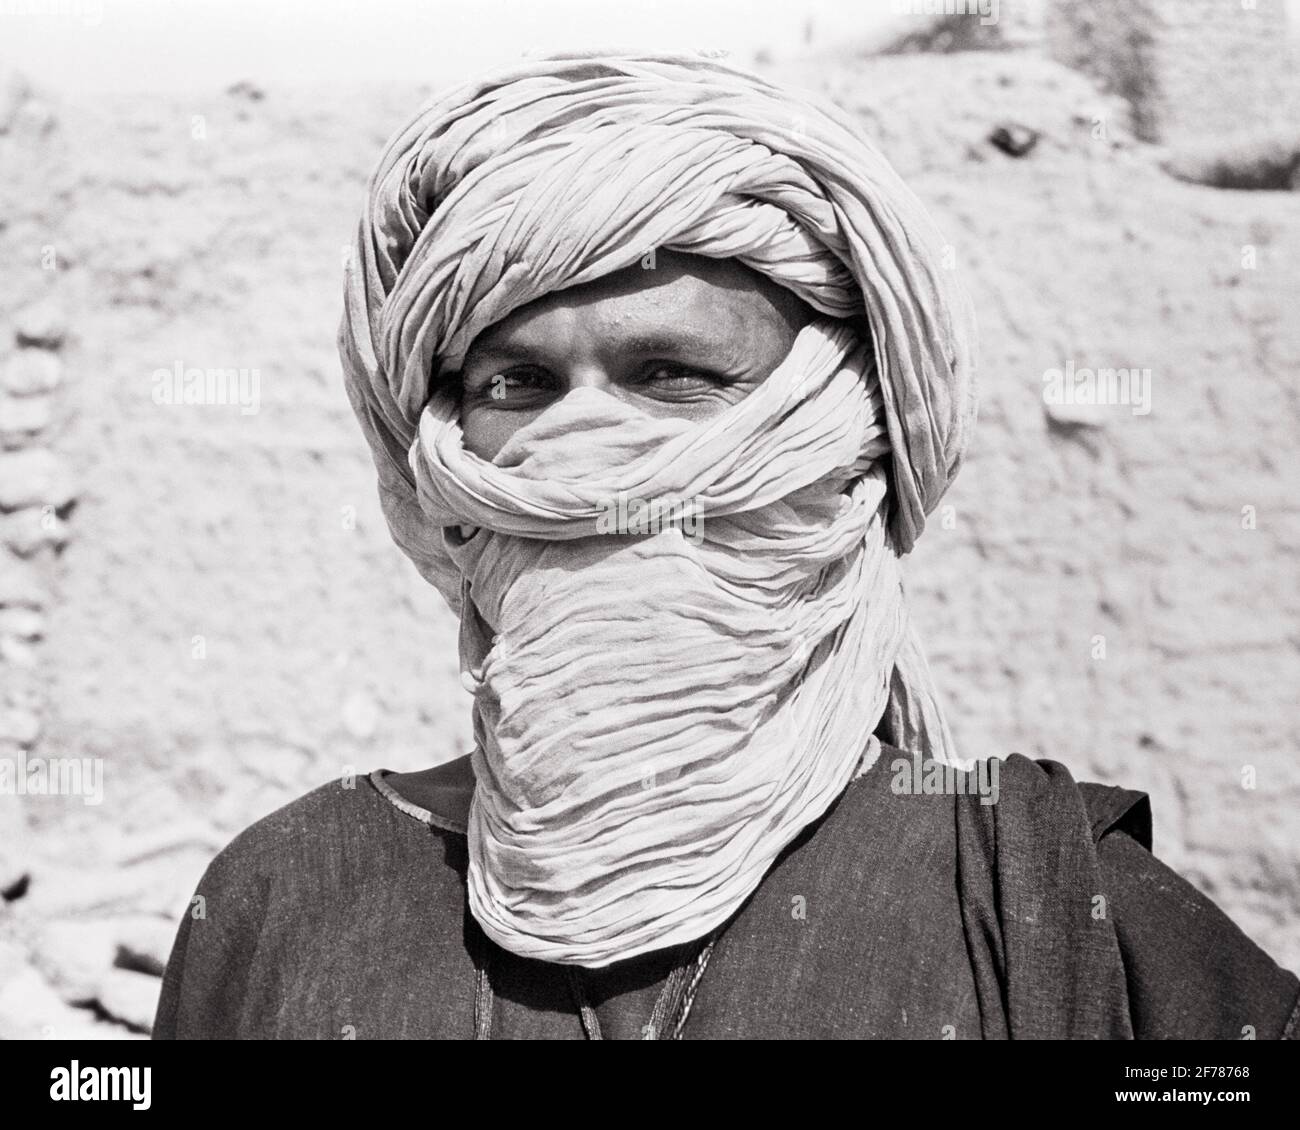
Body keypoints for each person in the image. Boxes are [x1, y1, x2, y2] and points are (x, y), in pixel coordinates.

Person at [154, 49, 1299, 1040]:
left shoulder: (1062, 912)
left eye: (672, 376)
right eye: (518, 382)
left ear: (840, 439)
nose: (582, 443)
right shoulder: (282, 899)